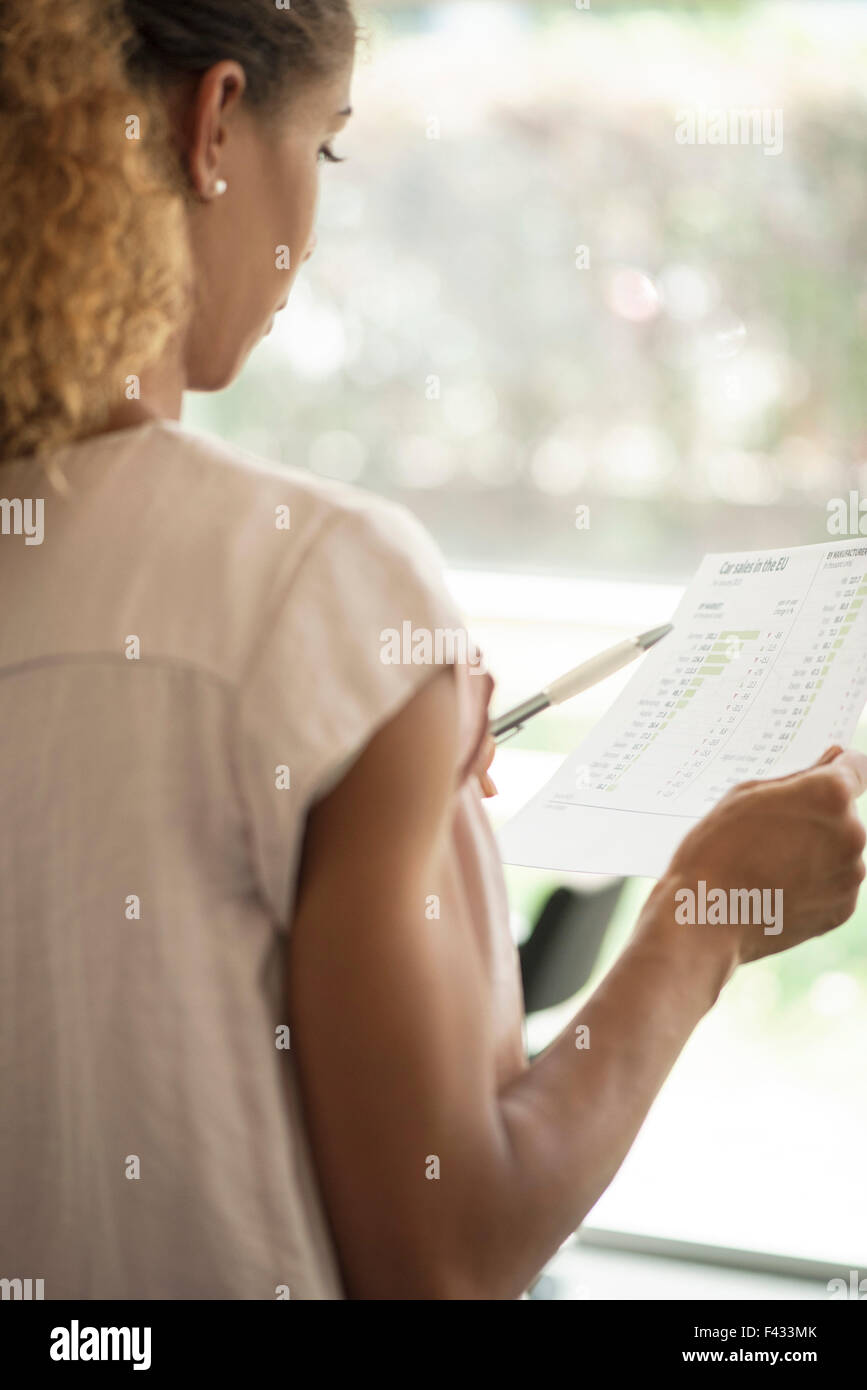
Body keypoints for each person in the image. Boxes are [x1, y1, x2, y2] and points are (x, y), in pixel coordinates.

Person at [0, 0, 864, 1302]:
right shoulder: (317, 580)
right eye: (329, 148)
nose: (315, 219)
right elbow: (447, 1256)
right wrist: (703, 919)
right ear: (215, 119)